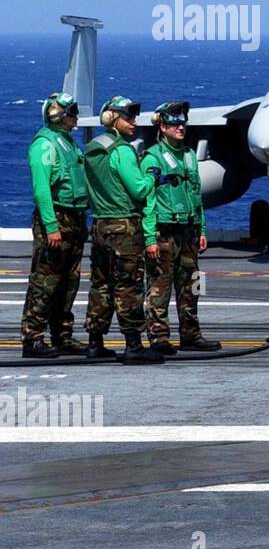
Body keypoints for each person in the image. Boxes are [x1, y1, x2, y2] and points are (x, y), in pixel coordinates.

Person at [21, 93, 104, 358]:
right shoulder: (44, 145)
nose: (76, 115)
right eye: (71, 111)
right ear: (57, 114)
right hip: (57, 219)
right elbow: (42, 190)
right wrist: (51, 225)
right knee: (45, 281)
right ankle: (32, 338)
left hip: (74, 220)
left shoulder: (67, 143)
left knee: (68, 282)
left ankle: (62, 336)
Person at [83, 96, 162, 364]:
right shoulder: (123, 151)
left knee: (100, 285)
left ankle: (95, 342)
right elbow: (139, 189)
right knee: (128, 286)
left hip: (100, 224)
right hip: (124, 227)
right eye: (128, 117)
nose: (134, 122)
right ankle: (133, 346)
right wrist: (152, 175)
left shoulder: (92, 148)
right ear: (112, 119)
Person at [142, 101, 221, 354]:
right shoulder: (152, 157)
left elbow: (197, 196)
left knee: (192, 285)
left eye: (183, 122)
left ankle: (191, 334)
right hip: (164, 231)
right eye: (175, 123)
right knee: (159, 287)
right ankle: (158, 337)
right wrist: (149, 237)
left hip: (189, 230)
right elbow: (148, 199)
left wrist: (202, 230)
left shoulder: (188, 155)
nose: (181, 127)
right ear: (162, 127)